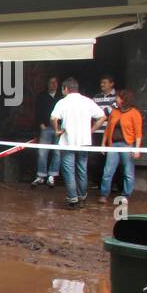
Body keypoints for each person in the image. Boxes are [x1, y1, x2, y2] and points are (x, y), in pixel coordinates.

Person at [51, 77, 106, 209]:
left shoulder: (62, 102)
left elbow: (53, 117)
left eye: (62, 89)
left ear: (66, 89)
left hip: (67, 142)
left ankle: (73, 198)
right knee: (82, 169)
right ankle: (82, 197)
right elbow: (102, 117)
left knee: (69, 170)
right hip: (84, 141)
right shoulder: (87, 101)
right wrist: (91, 130)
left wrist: (57, 130)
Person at [99, 89, 142, 203]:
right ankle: (104, 194)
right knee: (107, 171)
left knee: (128, 172)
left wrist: (136, 148)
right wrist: (103, 143)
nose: (115, 100)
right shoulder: (114, 112)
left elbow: (138, 133)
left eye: (117, 98)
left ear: (123, 100)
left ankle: (126, 195)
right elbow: (108, 129)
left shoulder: (134, 113)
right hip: (113, 144)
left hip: (127, 144)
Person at [32, 75, 62, 186]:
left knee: (57, 153)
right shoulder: (41, 96)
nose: (53, 84)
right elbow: (37, 112)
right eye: (51, 82)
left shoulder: (61, 97)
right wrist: (41, 125)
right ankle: (41, 176)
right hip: (46, 128)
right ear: (47, 84)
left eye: (55, 82)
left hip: (58, 128)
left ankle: (52, 176)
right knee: (42, 152)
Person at [91, 75, 118, 186]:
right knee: (97, 159)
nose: (102, 84)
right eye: (101, 82)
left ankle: (113, 184)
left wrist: (100, 115)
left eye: (104, 82)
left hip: (110, 133)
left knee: (112, 160)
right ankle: (98, 183)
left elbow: (108, 112)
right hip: (97, 132)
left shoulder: (118, 97)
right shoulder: (96, 97)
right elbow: (91, 111)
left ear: (111, 84)